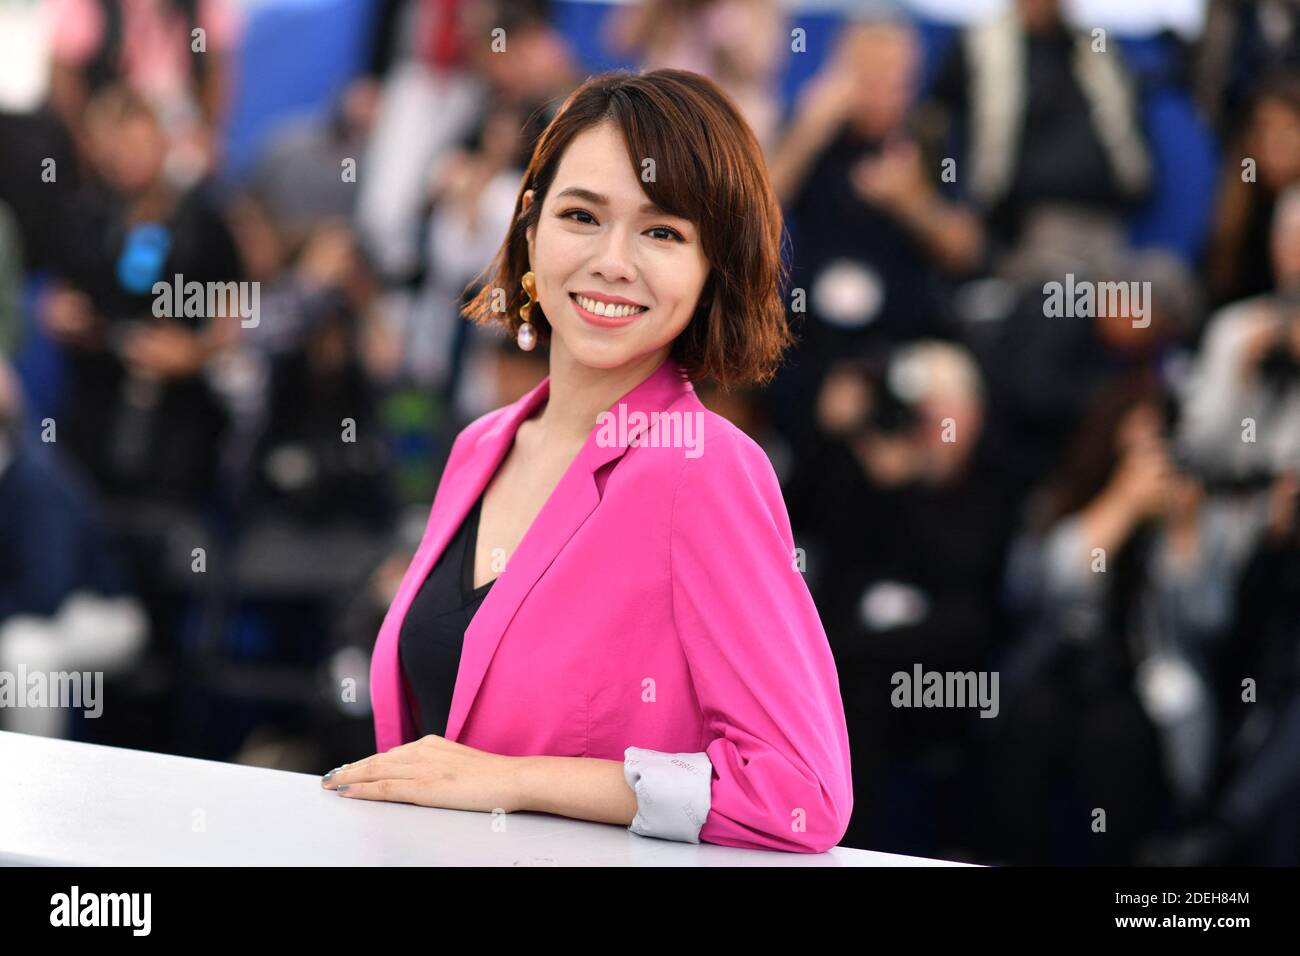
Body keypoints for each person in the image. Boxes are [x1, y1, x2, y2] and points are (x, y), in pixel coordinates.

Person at [324, 69, 854, 853]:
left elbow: (801, 794)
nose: (613, 260)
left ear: (714, 268)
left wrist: (516, 779)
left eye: (662, 232)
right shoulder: (481, 445)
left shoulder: (705, 468)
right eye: (583, 215)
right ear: (531, 228)